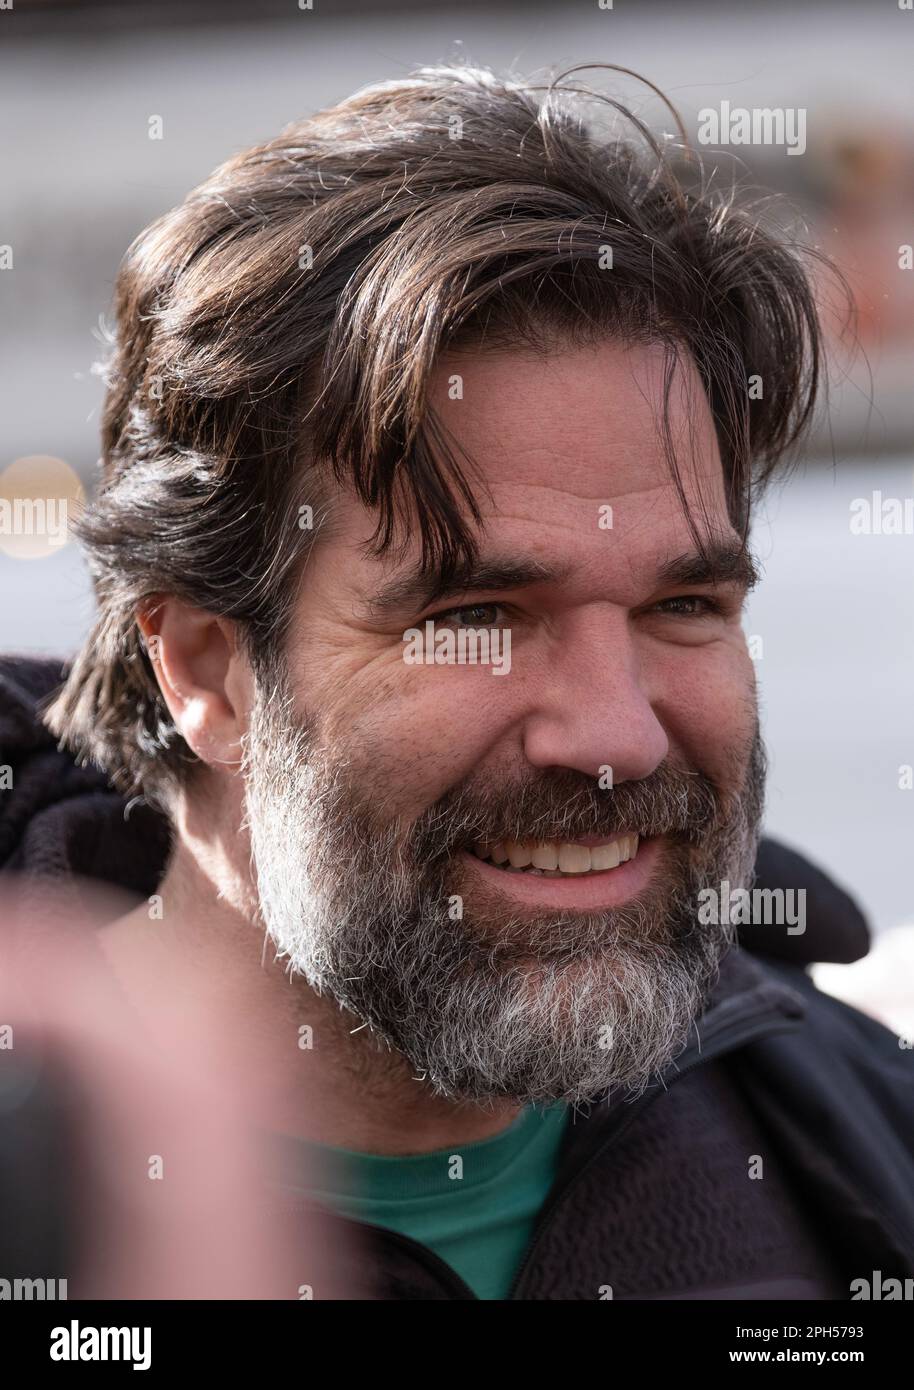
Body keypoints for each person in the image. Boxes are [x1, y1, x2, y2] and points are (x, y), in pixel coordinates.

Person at [4, 63, 912, 1300]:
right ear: (206, 668)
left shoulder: (859, 1165)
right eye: (475, 616)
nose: (614, 736)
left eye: (680, 605)